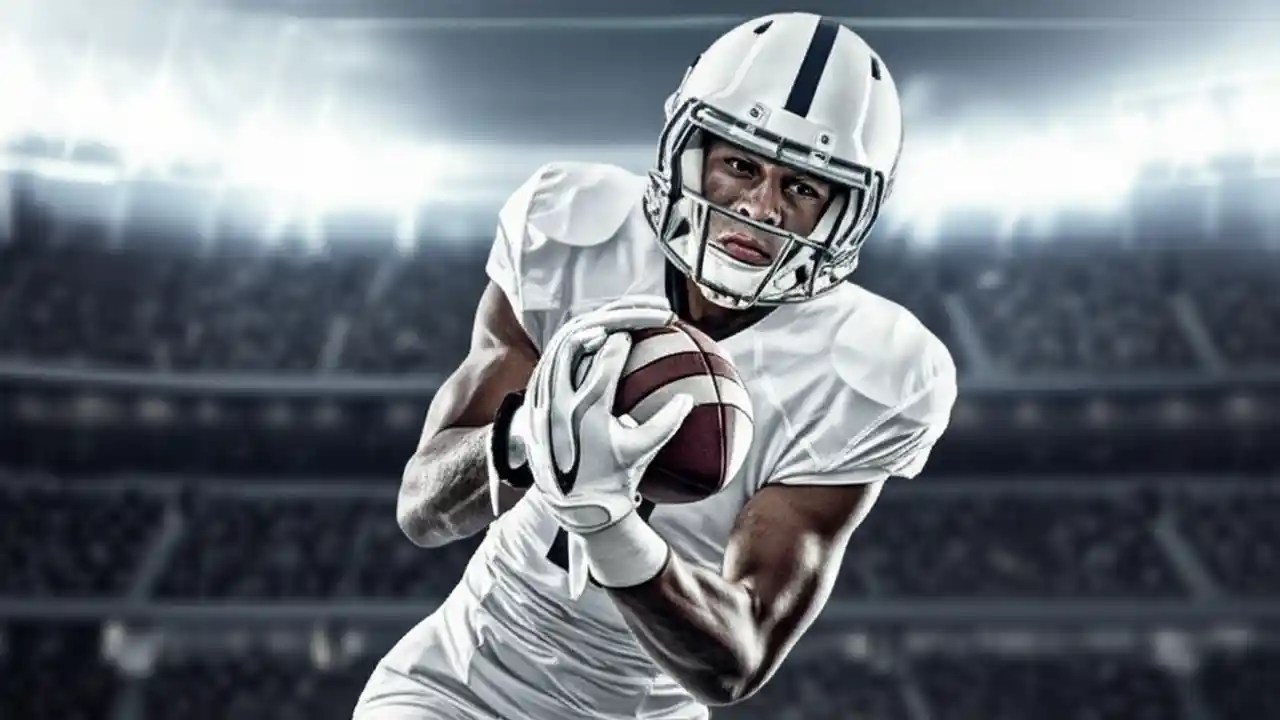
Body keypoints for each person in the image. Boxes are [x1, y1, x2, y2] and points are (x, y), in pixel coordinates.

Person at [354, 12, 956, 719]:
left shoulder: (871, 369)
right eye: (740, 165)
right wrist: (528, 443)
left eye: (801, 188)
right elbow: (423, 509)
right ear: (689, 153)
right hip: (461, 679)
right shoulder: (572, 228)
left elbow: (737, 661)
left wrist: (608, 524)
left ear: (844, 214)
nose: (760, 207)